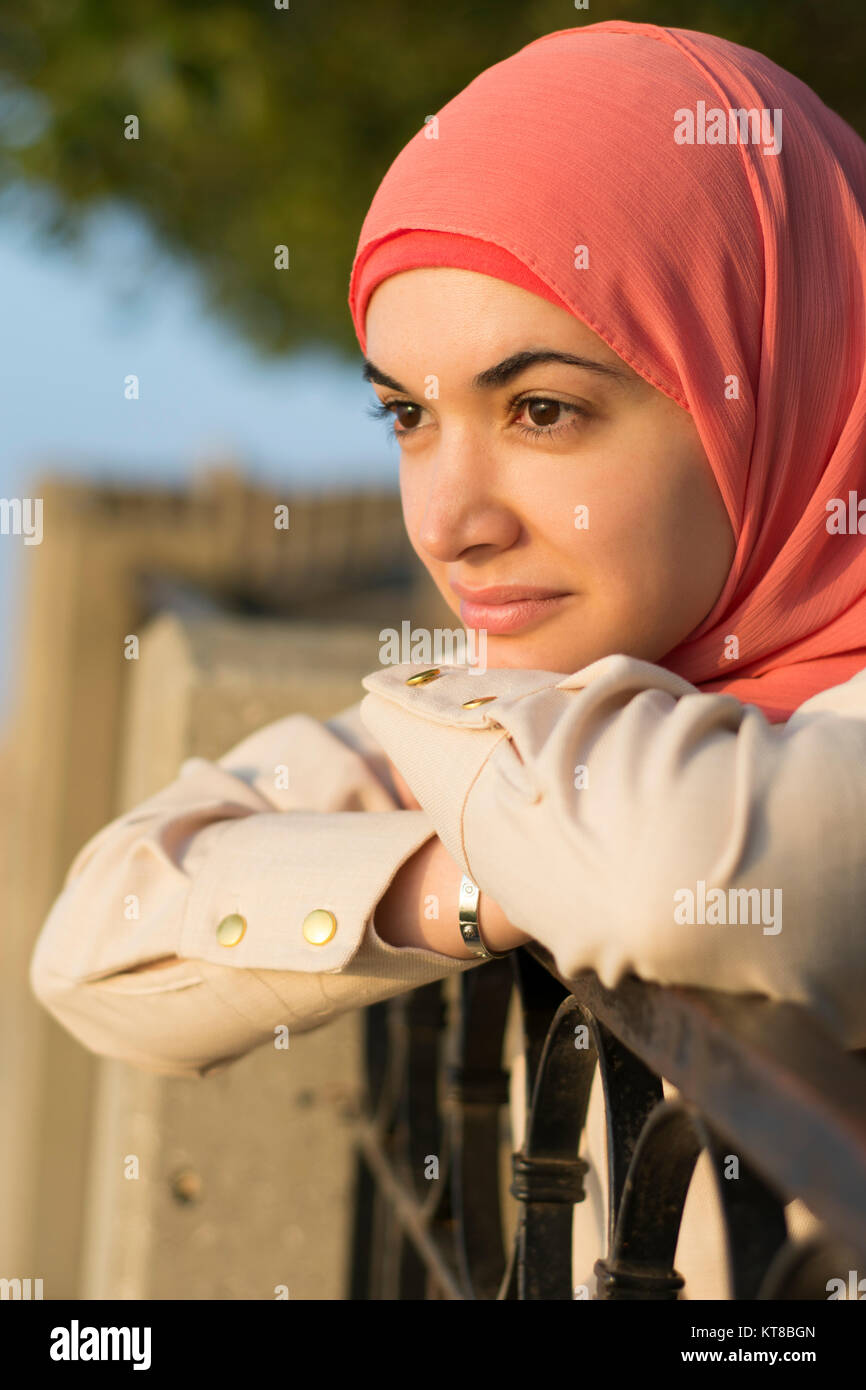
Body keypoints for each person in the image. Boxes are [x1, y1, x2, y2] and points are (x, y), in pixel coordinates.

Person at [30, 20, 866, 1299]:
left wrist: (448, 719)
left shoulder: (516, 722)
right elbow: (94, 944)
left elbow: (664, 875)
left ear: (774, 368)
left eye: (541, 410)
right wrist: (468, 885)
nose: (445, 522)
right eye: (407, 417)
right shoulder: (563, 724)